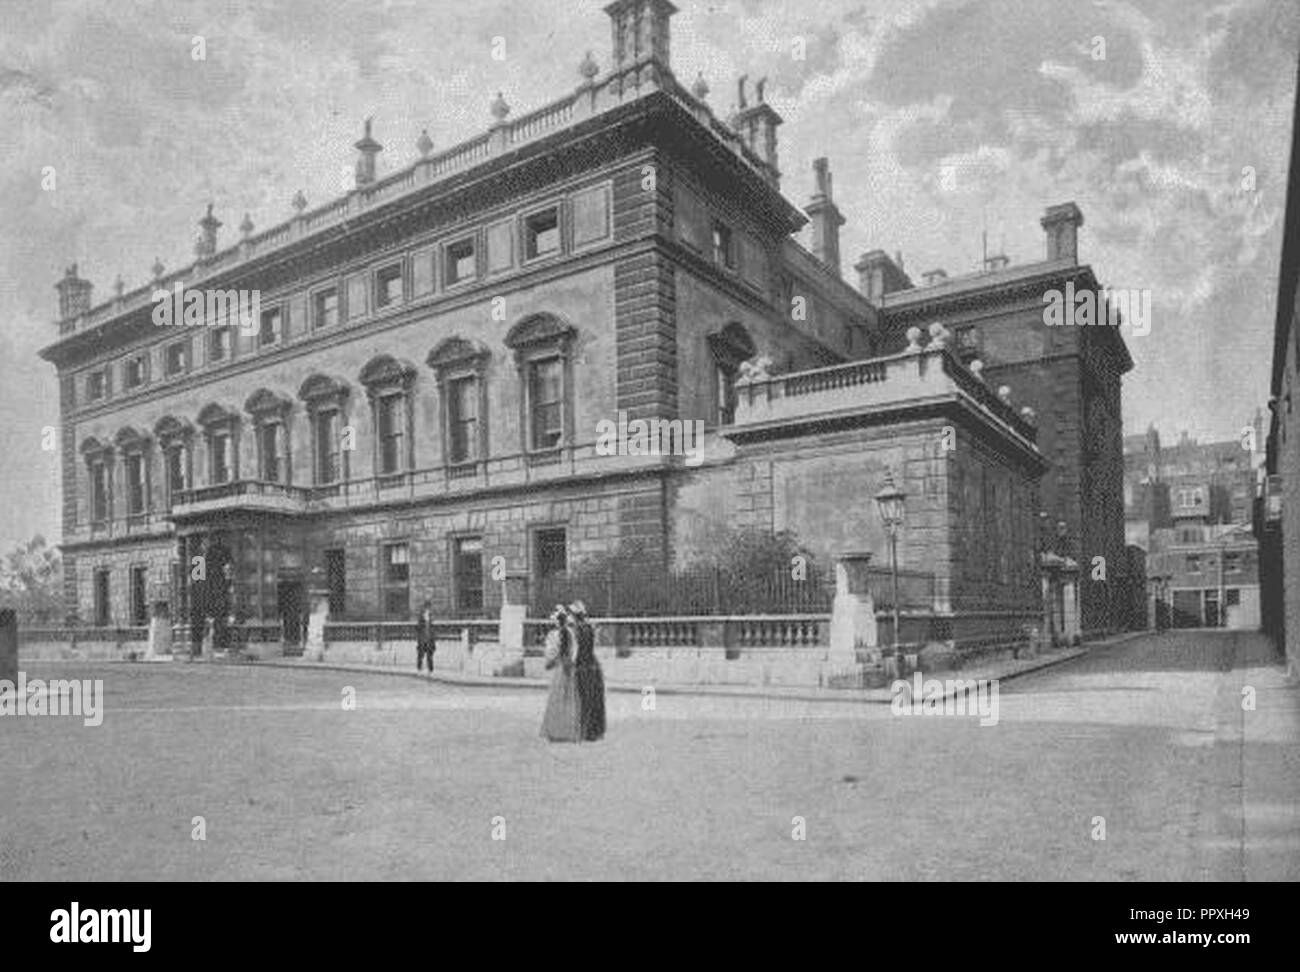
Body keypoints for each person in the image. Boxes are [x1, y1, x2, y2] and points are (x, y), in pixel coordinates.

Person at [539, 605, 580, 742]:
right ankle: (570, 730)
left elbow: (552, 653)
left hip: (561, 667)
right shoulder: (570, 633)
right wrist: (572, 662)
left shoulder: (554, 635)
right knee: (570, 697)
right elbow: (575, 650)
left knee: (558, 697)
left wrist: (549, 662)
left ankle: (557, 730)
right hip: (569, 666)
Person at [569, 601, 605, 742]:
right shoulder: (590, 627)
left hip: (582, 666)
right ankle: (593, 731)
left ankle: (584, 730)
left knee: (582, 698)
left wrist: (571, 665)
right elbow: (594, 645)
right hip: (593, 665)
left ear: (575, 616)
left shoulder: (576, 630)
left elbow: (576, 650)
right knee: (593, 698)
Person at [415, 599, 436, 673]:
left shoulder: (431, 616)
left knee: (429, 654)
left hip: (429, 637)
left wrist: (433, 636)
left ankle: (430, 669)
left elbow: (432, 627)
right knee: (421, 653)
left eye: (429, 607)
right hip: (423, 637)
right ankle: (419, 667)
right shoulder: (421, 616)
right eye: (427, 607)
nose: (428, 608)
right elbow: (418, 627)